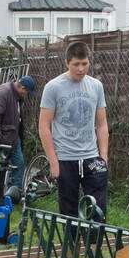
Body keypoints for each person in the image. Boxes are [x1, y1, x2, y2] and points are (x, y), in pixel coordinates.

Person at [38, 42, 110, 219]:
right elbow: (44, 126)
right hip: (65, 158)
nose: (81, 68)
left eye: (84, 63)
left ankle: (94, 246)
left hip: (91, 157)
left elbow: (101, 124)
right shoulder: (53, 87)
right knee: (68, 210)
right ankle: (72, 246)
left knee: (98, 209)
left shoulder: (96, 86)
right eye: (76, 64)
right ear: (67, 63)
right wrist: (54, 162)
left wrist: (104, 158)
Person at [0, 74, 35, 193]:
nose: (27, 96)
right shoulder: (3, 92)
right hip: (0, 138)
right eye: (27, 93)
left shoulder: (16, 96)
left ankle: (12, 194)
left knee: (17, 164)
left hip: (12, 137)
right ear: (23, 88)